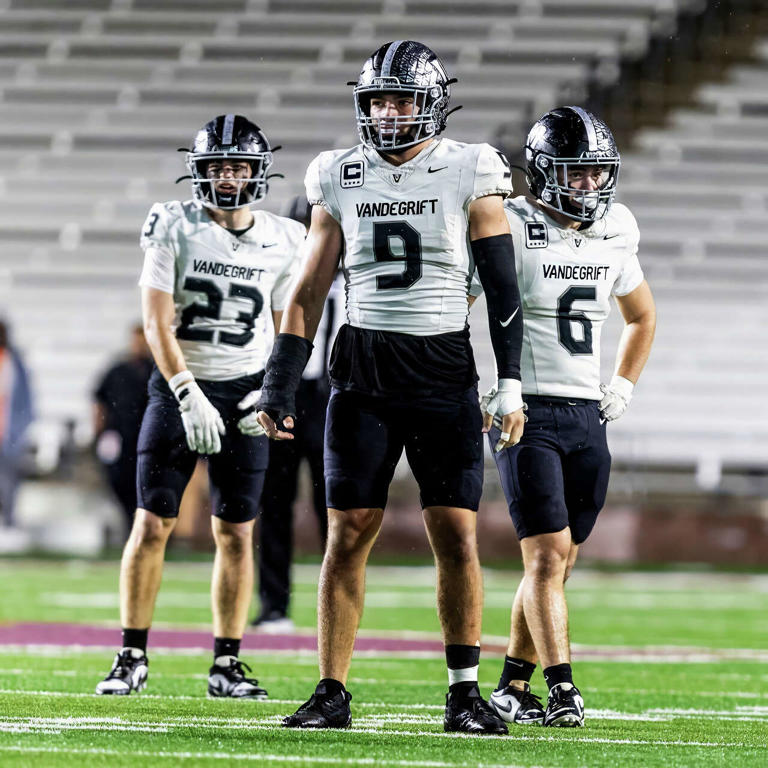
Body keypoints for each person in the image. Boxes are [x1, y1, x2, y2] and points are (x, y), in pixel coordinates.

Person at [253, 41, 525, 733]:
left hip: (441, 367)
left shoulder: (470, 167)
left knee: (455, 535)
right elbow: (307, 289)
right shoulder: (338, 174)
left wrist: (511, 383)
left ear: (431, 101)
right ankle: (331, 690)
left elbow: (502, 291)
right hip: (362, 369)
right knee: (346, 532)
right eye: (378, 99)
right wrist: (280, 382)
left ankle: (464, 692)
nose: (389, 111)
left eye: (402, 98)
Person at [95, 114, 305, 698]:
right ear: (198, 171)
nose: (228, 176)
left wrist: (272, 391)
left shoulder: (285, 237)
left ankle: (227, 663)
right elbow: (155, 320)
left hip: (245, 391)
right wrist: (186, 392)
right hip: (179, 386)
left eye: (238, 165)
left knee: (237, 532)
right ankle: (131, 654)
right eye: (217, 166)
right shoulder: (174, 223)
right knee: (152, 521)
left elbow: (290, 323)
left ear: (258, 171)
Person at [481, 106, 656, 727]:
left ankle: (510, 688)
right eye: (576, 174)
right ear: (545, 172)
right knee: (547, 556)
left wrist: (623, 386)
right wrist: (490, 384)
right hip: (525, 410)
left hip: (587, 413)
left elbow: (641, 316)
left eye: (596, 173)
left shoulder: (618, 228)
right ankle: (562, 689)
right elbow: (460, 301)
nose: (589, 185)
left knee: (560, 560)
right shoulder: (509, 221)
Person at [252, 196, 342, 632]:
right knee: (273, 503)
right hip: (285, 394)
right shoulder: (280, 277)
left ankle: (340, 606)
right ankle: (273, 605)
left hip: (333, 397)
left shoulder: (353, 279)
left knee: (337, 510)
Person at [92, 324, 153, 534]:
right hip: (117, 437)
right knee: (117, 481)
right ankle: (128, 524)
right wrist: (98, 432)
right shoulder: (117, 370)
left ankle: (137, 526)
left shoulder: (155, 370)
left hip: (145, 436)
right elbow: (100, 402)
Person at [0, 320, 34, 530]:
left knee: (9, 481)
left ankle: (8, 522)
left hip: (9, 434)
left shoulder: (15, 362)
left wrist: (21, 430)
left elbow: (26, 400)